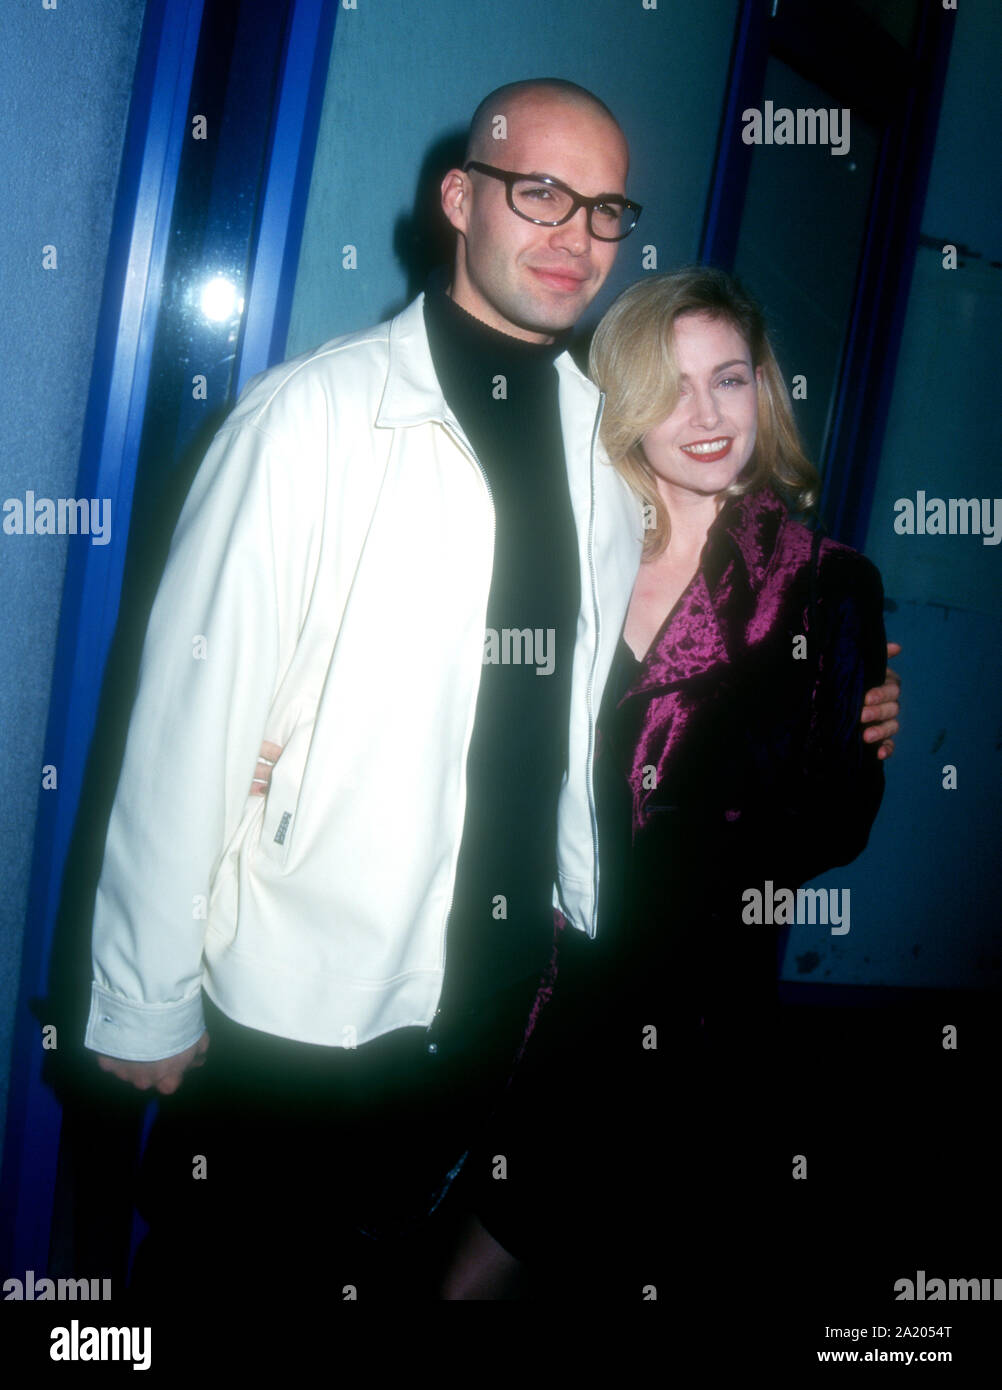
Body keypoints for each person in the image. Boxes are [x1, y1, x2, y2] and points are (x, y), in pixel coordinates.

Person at [84, 80, 899, 1301]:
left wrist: (842, 694)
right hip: (312, 993)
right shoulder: (317, 415)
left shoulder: (592, 446)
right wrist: (143, 991)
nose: (574, 234)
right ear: (461, 200)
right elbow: (189, 717)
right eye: (540, 193)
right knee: (229, 1282)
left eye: (605, 209)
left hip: (500, 1002)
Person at [443, 267, 891, 1300]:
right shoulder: (572, 554)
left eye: (728, 380)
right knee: (468, 1257)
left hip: (691, 1012)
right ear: (624, 404)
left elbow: (839, 818)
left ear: (762, 392)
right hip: (531, 977)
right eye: (670, 386)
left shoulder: (828, 585)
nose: (703, 416)